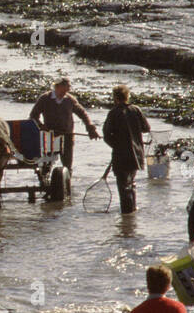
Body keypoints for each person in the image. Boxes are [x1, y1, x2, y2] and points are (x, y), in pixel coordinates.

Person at [29, 77, 99, 172]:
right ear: (57, 87)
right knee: (46, 165)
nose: (67, 91)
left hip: (67, 135)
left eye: (68, 88)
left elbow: (82, 114)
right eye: (66, 87)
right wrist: (41, 126)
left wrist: (90, 128)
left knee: (67, 165)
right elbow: (33, 116)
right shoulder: (45, 98)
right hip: (50, 135)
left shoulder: (70, 100)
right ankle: (45, 183)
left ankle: (67, 183)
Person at [102, 84, 150, 215]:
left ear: (115, 98)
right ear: (127, 96)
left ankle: (127, 216)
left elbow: (106, 135)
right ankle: (132, 212)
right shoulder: (136, 110)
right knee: (131, 183)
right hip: (136, 154)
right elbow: (146, 128)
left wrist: (116, 146)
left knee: (123, 186)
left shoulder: (113, 113)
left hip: (121, 156)